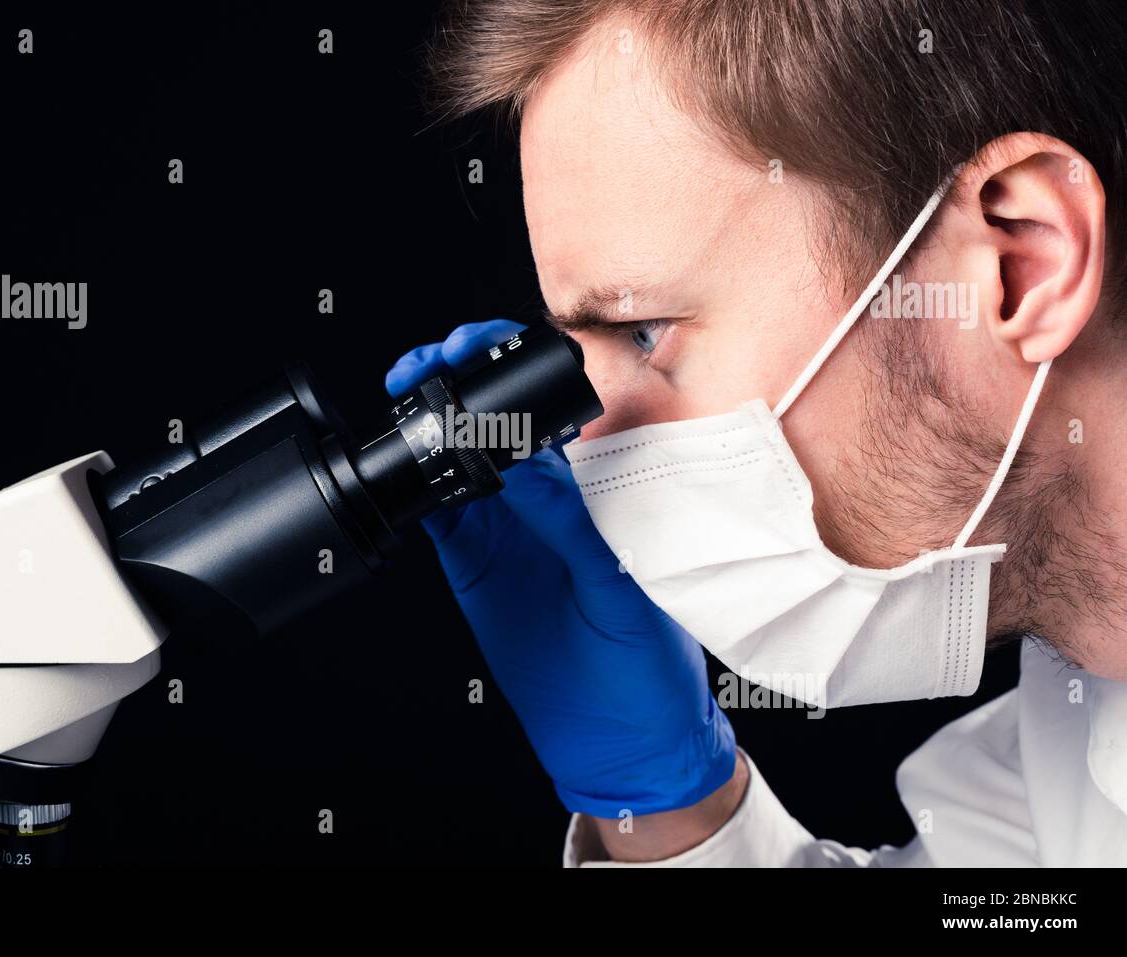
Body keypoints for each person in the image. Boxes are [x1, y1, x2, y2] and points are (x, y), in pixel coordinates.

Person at [386, 0, 1127, 866]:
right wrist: (673, 807)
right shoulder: (1070, 743)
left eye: (643, 332)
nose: (581, 446)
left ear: (1018, 266)